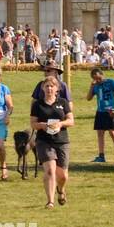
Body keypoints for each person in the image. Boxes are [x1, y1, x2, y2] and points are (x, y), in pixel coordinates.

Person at [30, 74, 74, 208]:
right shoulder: (37, 104)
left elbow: (71, 121)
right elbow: (33, 123)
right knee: (49, 170)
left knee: (63, 176)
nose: (49, 88)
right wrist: (43, 126)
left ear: (57, 89)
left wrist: (60, 124)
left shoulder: (63, 103)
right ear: (43, 88)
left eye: (52, 86)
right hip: (44, 141)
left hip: (61, 141)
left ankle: (60, 190)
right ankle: (50, 201)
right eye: (47, 86)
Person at [87, 68, 114, 163]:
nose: (97, 80)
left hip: (111, 111)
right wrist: (91, 87)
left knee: (113, 133)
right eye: (95, 79)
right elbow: (88, 98)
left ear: (102, 74)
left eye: (98, 78)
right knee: (100, 134)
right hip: (100, 112)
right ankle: (101, 156)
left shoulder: (111, 82)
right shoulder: (96, 86)